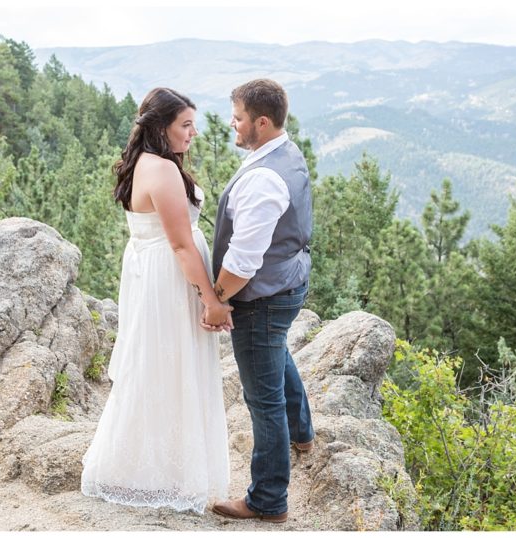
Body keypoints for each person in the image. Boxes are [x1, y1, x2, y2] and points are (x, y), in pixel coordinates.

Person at [80, 87, 231, 515]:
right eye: (185, 125)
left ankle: (160, 467)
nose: (194, 133)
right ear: (161, 128)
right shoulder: (162, 170)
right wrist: (212, 300)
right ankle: (161, 474)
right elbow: (182, 245)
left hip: (155, 275)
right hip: (168, 280)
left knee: (159, 366)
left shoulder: (148, 165)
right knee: (171, 366)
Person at [208, 79, 315, 523]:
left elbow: (244, 260)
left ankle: (268, 499)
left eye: (238, 118)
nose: (232, 124)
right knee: (277, 353)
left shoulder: (263, 179)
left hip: (262, 296)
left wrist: (217, 299)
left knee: (263, 400)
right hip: (286, 284)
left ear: (262, 122)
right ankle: (303, 434)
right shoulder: (283, 153)